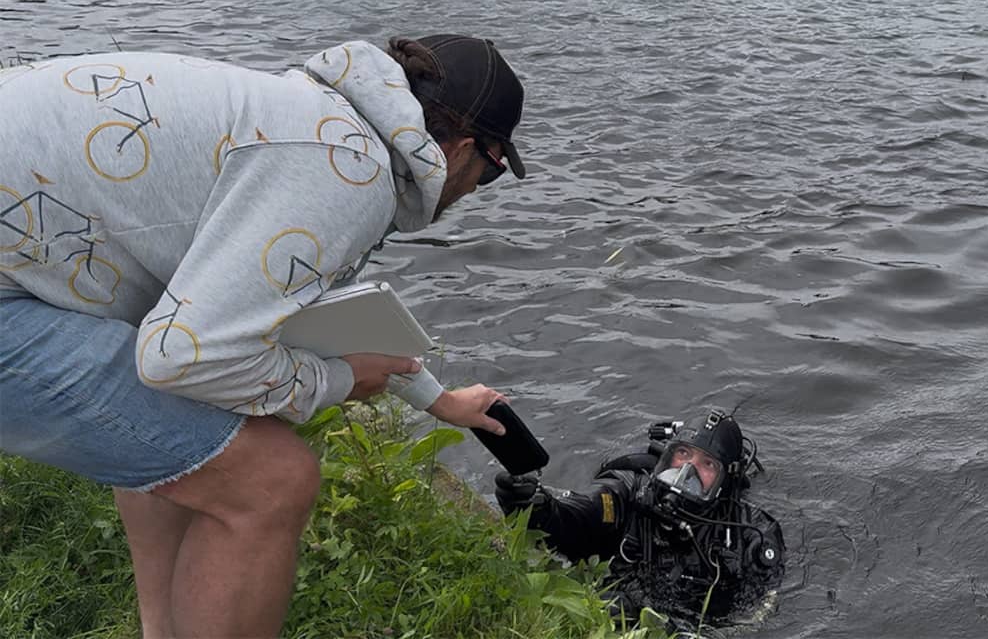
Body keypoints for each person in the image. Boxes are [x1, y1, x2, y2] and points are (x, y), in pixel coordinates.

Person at [0, 33, 527, 637]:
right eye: (489, 175)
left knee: (187, 432)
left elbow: (302, 306)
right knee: (270, 479)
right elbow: (179, 361)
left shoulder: (323, 123)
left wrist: (439, 400)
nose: (473, 193)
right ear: (462, 149)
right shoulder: (347, 172)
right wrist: (337, 380)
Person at [494, 408, 786, 631]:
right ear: (667, 455)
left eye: (707, 464)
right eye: (683, 454)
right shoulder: (629, 491)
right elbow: (579, 514)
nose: (687, 471)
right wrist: (537, 506)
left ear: (726, 481)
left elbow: (763, 615)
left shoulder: (752, 535)